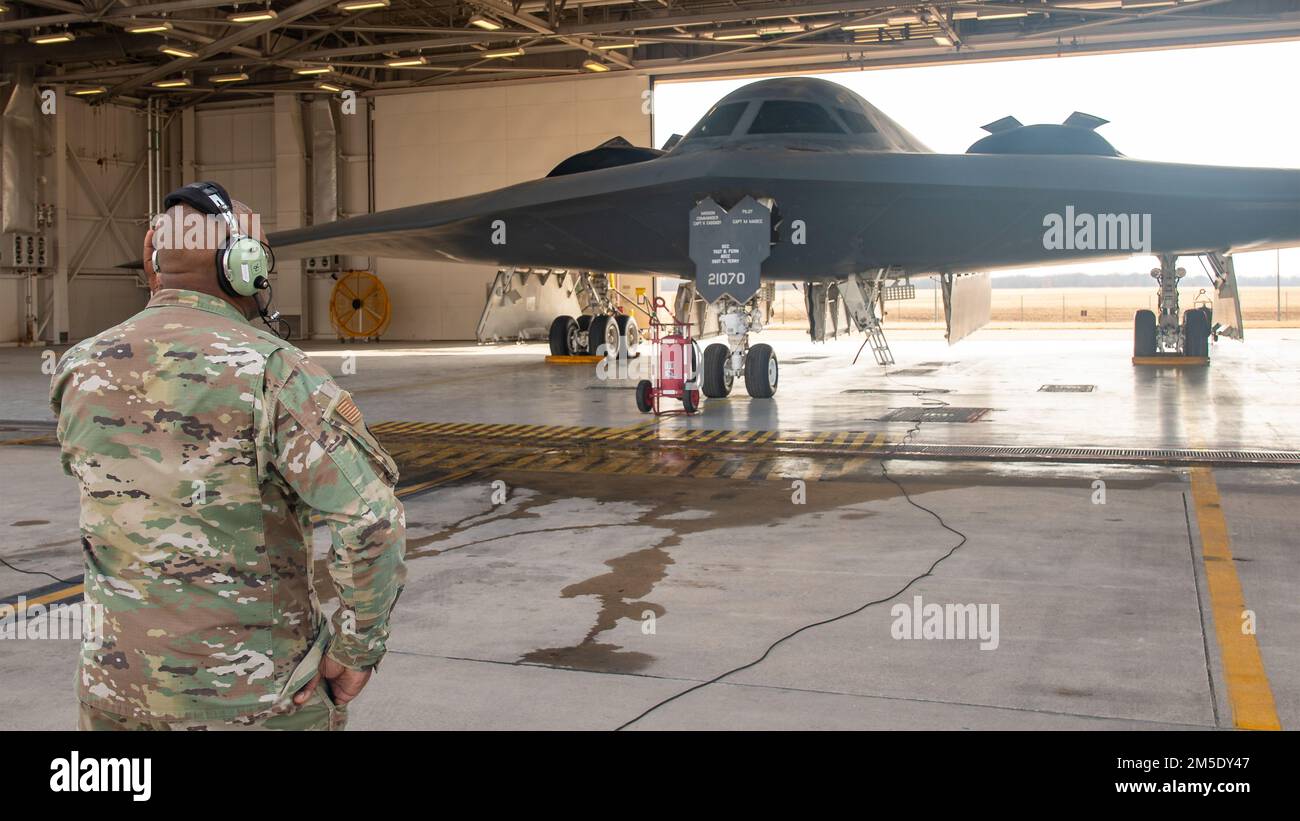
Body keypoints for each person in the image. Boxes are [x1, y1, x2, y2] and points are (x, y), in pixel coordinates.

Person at [49, 181, 406, 730]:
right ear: (243, 267)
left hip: (115, 694)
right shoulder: (273, 371)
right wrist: (355, 652)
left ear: (153, 259)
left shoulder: (79, 367)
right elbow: (372, 521)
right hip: (252, 702)